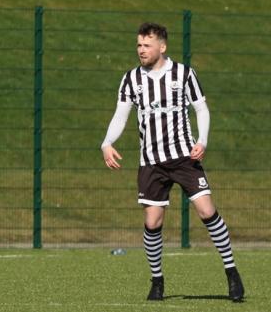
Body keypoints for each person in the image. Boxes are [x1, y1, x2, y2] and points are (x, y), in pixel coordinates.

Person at [101, 22, 244, 302]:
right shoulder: (131, 79)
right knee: (153, 222)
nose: (141, 50)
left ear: (162, 47)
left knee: (206, 211)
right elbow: (121, 115)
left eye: (147, 45)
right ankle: (157, 281)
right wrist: (106, 142)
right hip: (151, 162)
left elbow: (201, 108)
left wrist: (202, 141)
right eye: (139, 45)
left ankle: (232, 273)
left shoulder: (184, 74)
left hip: (183, 157)